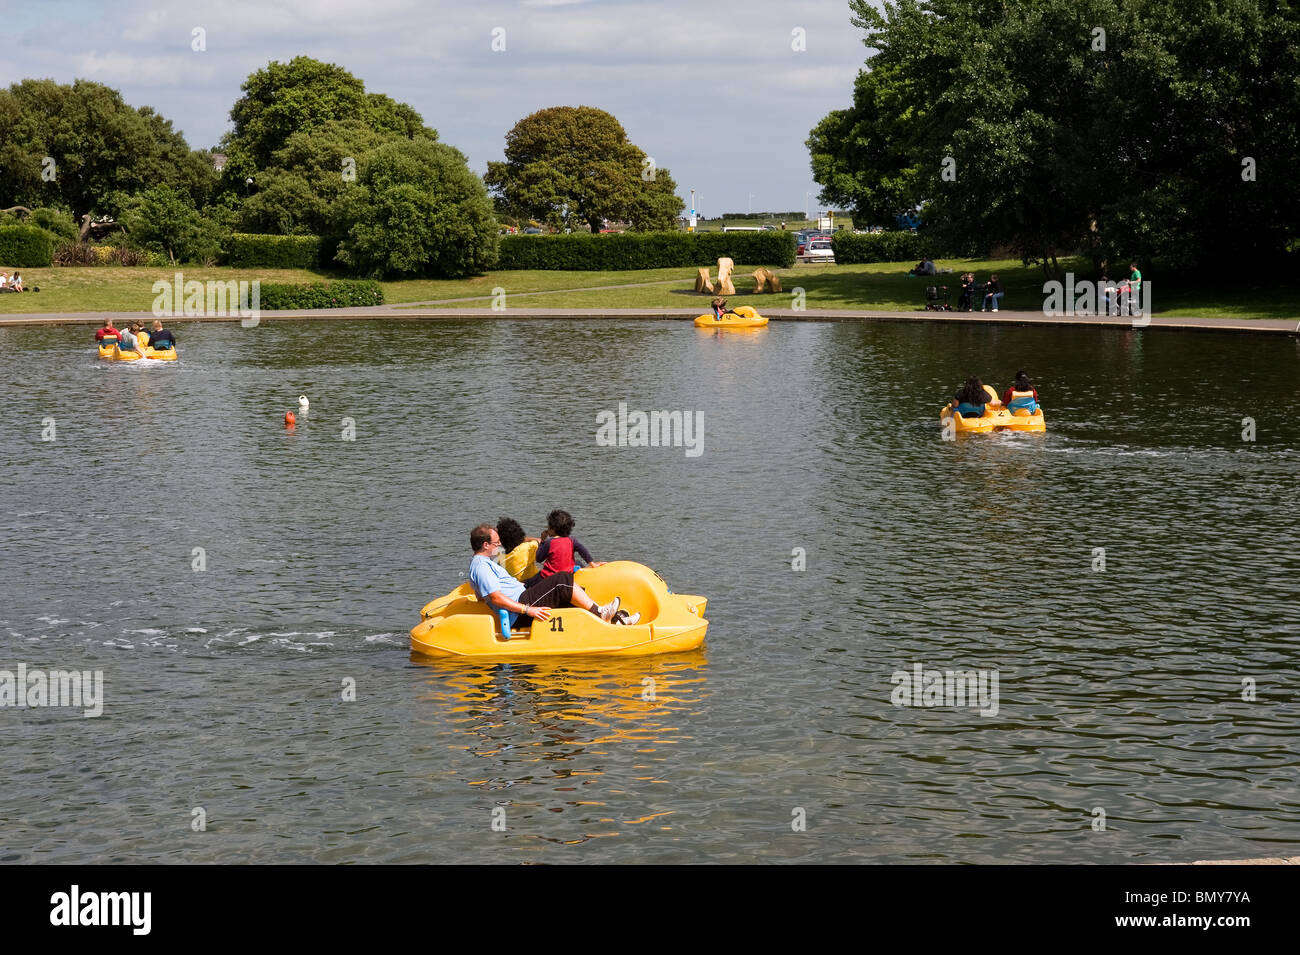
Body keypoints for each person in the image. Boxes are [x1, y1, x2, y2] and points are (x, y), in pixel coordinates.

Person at [467, 524, 637, 632]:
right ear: (485, 545)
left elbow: (482, 595)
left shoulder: (482, 563)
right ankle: (601, 613)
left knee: (570, 596)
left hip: (522, 597)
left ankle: (616, 622)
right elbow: (495, 597)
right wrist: (528, 610)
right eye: (496, 543)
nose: (499, 546)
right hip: (521, 607)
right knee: (561, 580)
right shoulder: (481, 566)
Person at [532, 509, 605, 582]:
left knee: (529, 581)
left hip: (550, 577)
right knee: (577, 562)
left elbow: (538, 558)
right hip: (567, 574)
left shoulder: (549, 543)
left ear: (553, 529)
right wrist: (593, 564)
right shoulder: (572, 540)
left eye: (548, 526)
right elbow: (583, 550)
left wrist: (542, 541)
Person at [497, 517, 540, 582]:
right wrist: (523, 539)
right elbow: (539, 541)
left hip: (516, 586)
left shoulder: (500, 557)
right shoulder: (526, 548)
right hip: (533, 584)